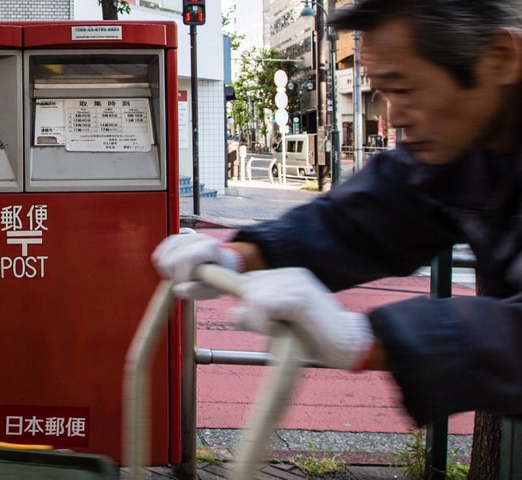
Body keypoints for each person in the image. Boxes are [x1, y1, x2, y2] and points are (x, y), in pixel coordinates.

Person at [153, 0, 522, 428]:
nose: (394, 117)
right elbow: (374, 212)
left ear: (498, 58)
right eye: (384, 93)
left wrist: (368, 338)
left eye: (405, 90)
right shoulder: (464, 142)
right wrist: (237, 257)